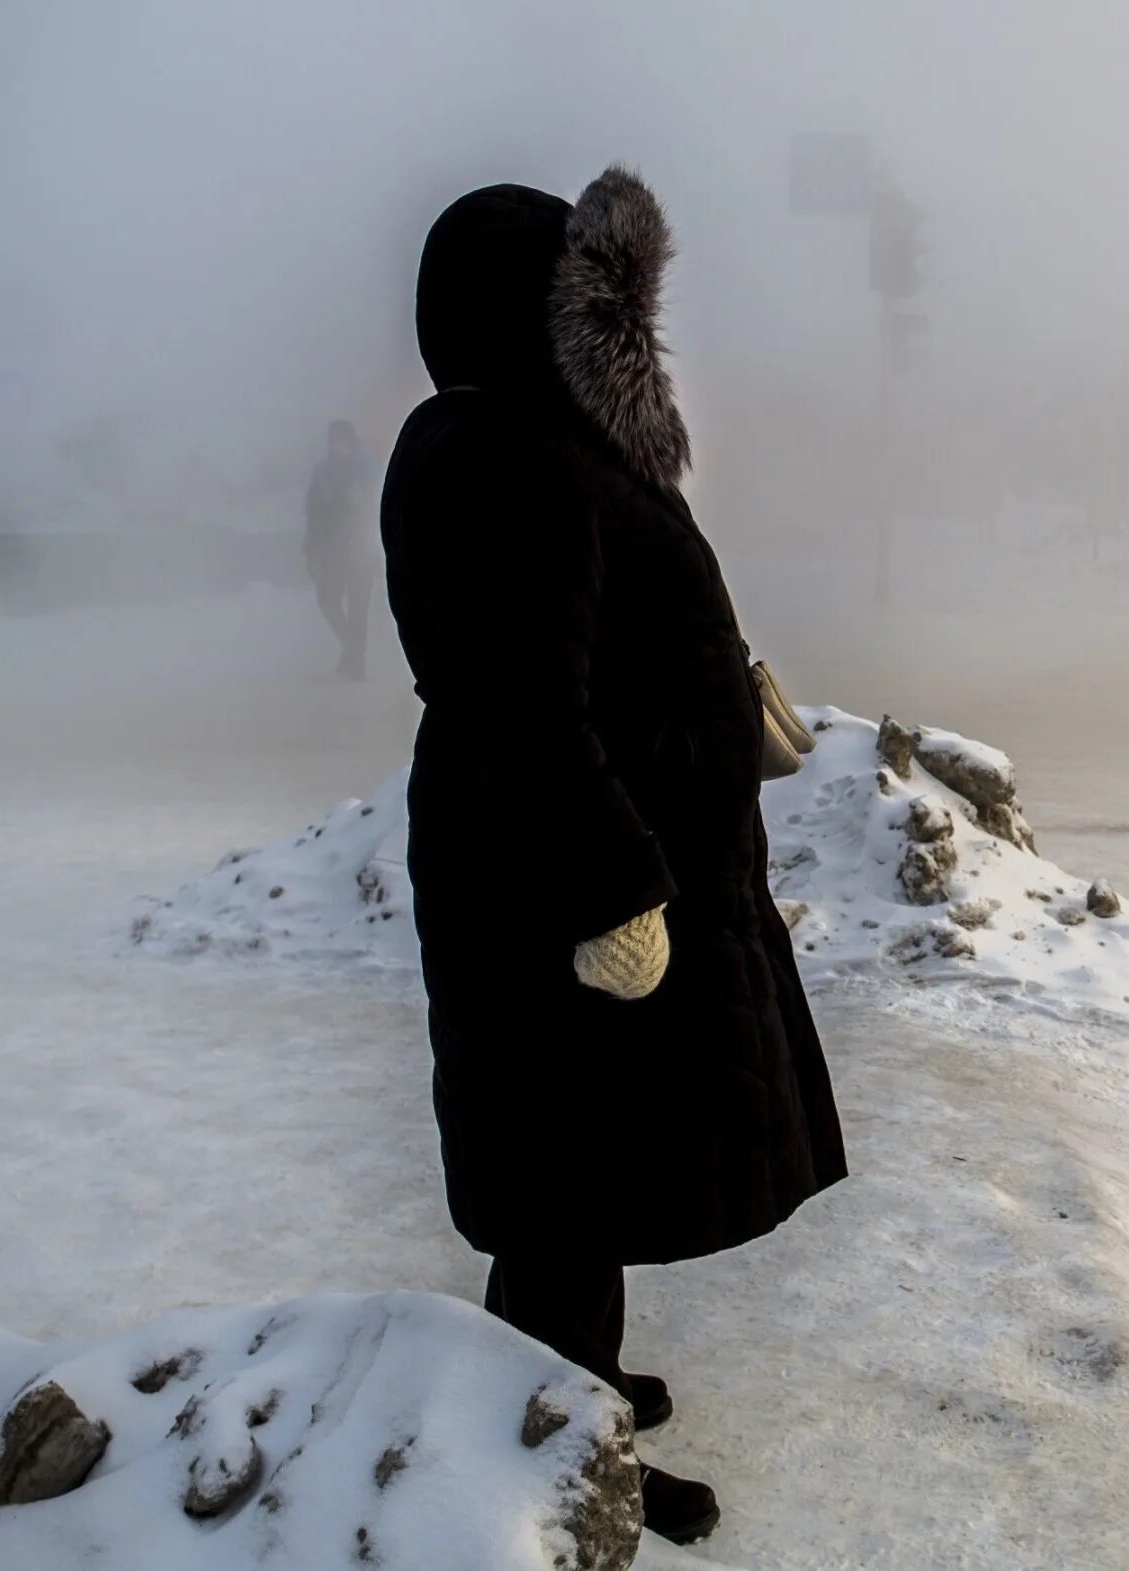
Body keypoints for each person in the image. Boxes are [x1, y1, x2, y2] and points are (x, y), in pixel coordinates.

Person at [380, 170, 847, 1547]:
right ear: (530, 316)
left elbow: (628, 629)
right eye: (588, 309)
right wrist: (609, 887)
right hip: (563, 882)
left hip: (586, 861)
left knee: (584, 1175)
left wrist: (728, 693)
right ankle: (557, 1457)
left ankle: (573, 1390)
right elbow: (519, 698)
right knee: (563, 1188)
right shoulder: (497, 457)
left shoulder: (547, 447)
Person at [304, 418, 378, 679]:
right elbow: (313, 513)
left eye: (342, 440)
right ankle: (354, 651)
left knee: (359, 608)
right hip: (332, 550)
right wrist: (310, 549)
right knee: (327, 600)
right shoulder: (322, 472)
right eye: (333, 440)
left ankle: (355, 663)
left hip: (360, 548)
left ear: (351, 440)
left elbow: (374, 505)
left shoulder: (366, 470)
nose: (337, 445)